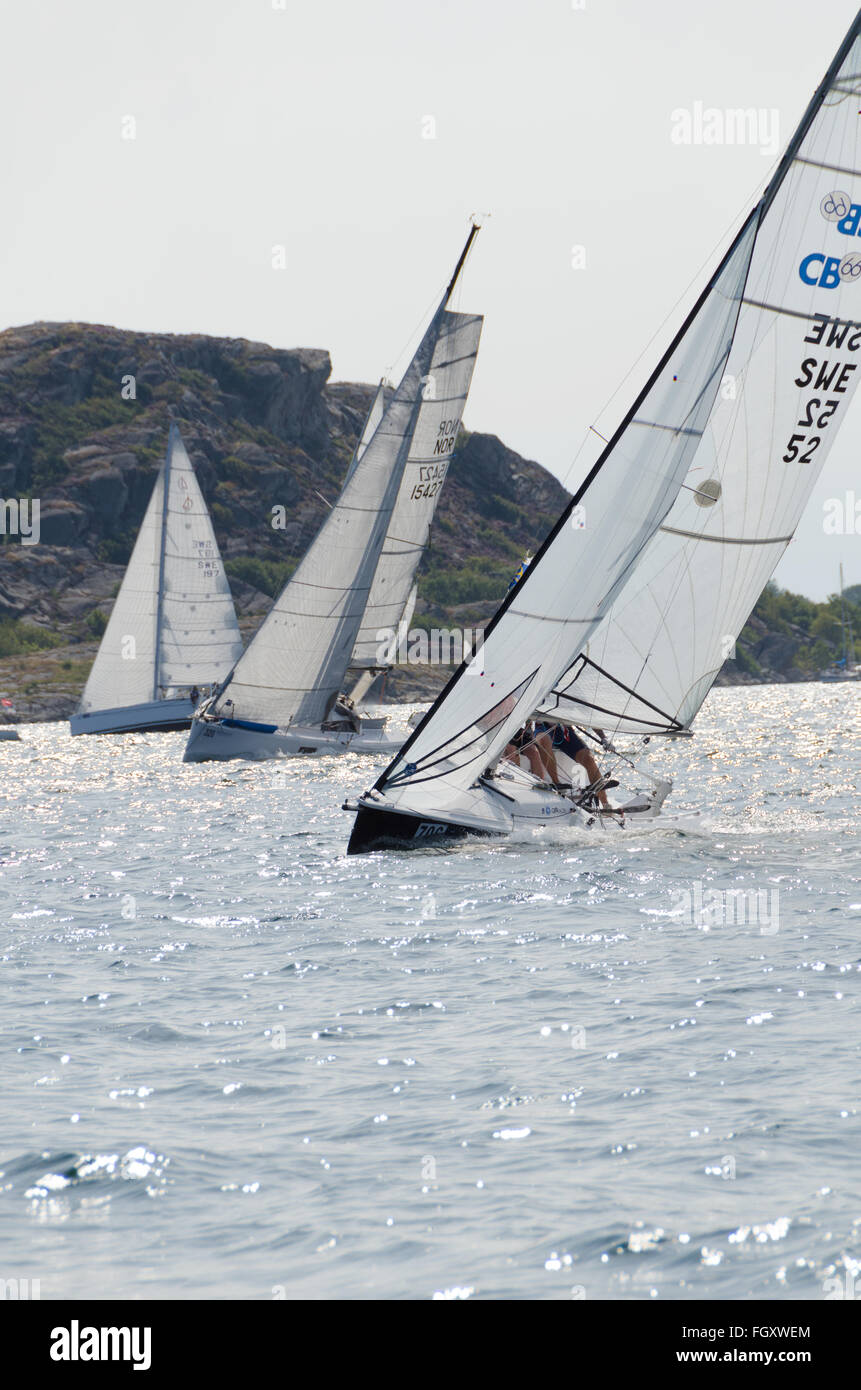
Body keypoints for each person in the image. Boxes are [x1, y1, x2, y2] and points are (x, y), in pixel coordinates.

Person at [536, 721, 612, 808]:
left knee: (588, 758)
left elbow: (586, 713)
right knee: (544, 739)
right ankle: (557, 784)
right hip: (542, 728)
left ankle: (605, 804)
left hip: (565, 732)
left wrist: (603, 738)